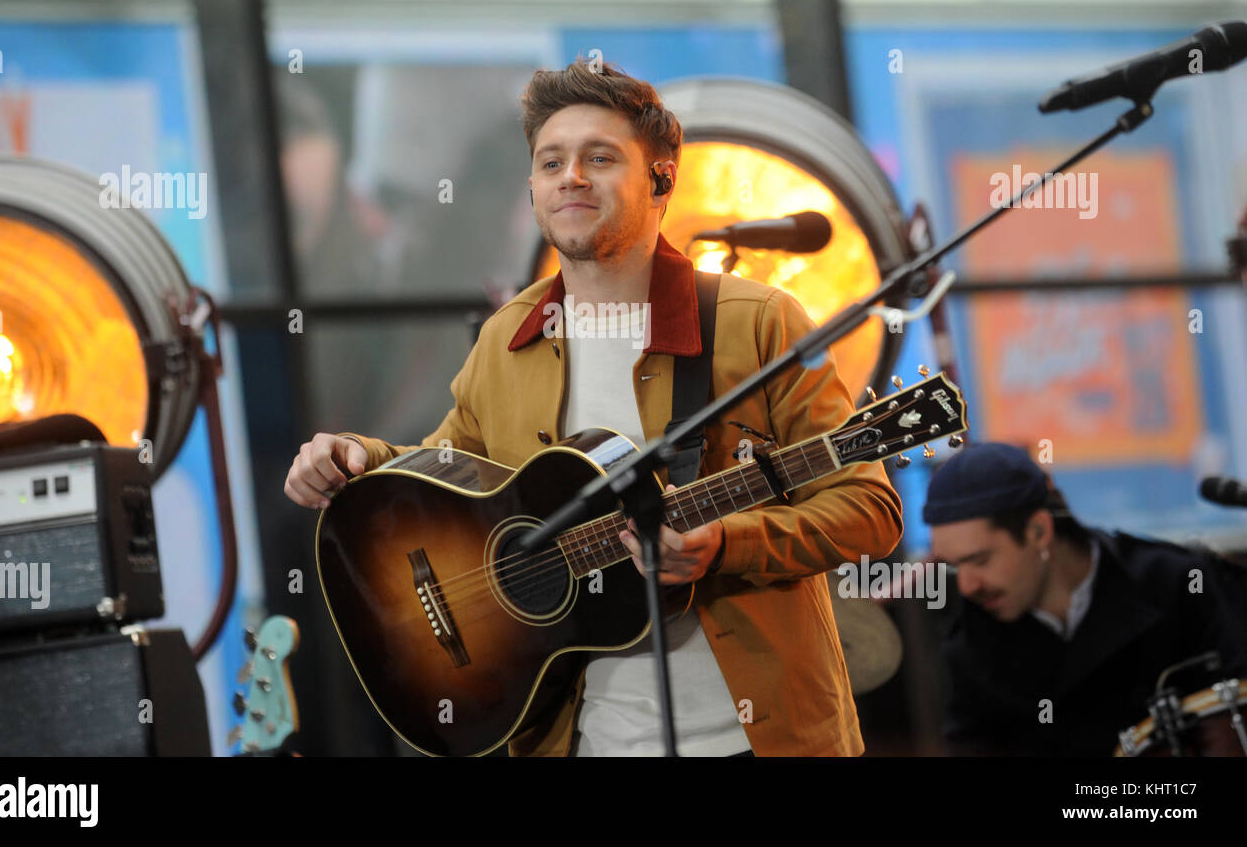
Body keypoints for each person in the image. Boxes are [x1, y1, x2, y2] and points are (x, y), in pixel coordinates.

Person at [284, 60, 903, 756]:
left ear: (662, 180)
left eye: (599, 158)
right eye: (552, 161)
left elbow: (870, 510)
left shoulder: (756, 322)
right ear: (533, 187)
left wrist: (727, 543)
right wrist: (359, 455)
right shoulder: (507, 337)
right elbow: (448, 467)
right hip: (579, 739)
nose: (571, 176)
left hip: (758, 741)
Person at [926, 441, 1247, 757]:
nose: (967, 586)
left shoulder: (1176, 585)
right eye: (955, 566)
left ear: (1039, 531)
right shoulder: (971, 647)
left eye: (980, 560)